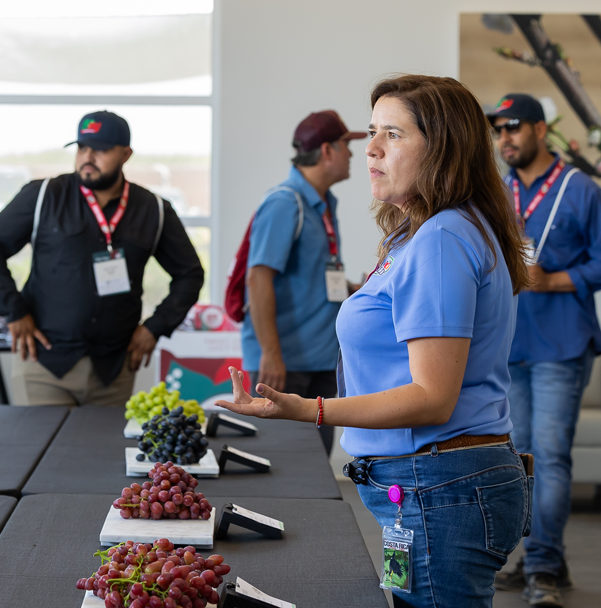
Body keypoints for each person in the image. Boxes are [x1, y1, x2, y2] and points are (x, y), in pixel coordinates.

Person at [216, 74, 531, 608]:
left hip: (437, 488)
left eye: (395, 134)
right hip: (432, 488)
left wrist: (305, 408)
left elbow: (432, 397)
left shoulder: (441, 239)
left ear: (444, 148)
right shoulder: (429, 231)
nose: (373, 150)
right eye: (371, 133)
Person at [0, 110, 205, 406]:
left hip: (114, 369)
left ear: (125, 154)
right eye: (82, 148)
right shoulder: (43, 195)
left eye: (101, 150)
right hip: (44, 363)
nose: (88, 157)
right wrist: (13, 311)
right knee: (45, 452)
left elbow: (190, 274)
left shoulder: (153, 209)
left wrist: (155, 327)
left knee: (101, 454)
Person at [488, 93, 601, 607]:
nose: (503, 138)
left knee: (549, 458)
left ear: (539, 129)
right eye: (497, 129)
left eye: (512, 127)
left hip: (561, 344)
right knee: (520, 460)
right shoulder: (497, 189)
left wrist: (552, 279)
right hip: (507, 346)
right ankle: (541, 559)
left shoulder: (581, 189)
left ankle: (543, 570)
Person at [243, 110, 364, 454]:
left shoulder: (323, 204)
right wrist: (271, 354)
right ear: (327, 152)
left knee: (312, 461)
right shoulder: (285, 203)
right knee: (287, 464)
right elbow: (258, 278)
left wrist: (358, 290)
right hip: (287, 362)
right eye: (345, 145)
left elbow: (316, 276)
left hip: (320, 357)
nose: (353, 154)